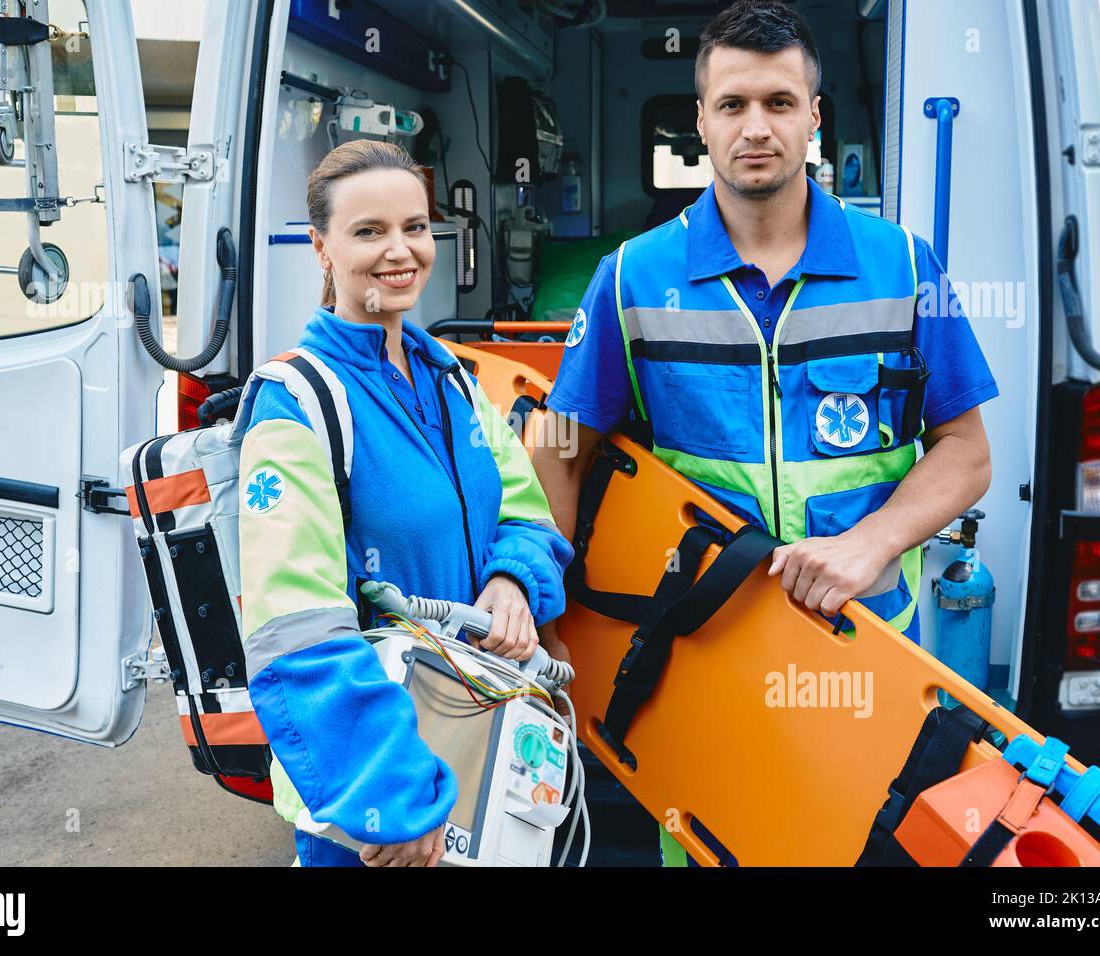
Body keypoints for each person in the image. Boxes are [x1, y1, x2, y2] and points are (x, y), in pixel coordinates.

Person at [530, 0, 997, 864]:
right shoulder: (631, 278)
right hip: (696, 648)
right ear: (700, 121)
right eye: (734, 105)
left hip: (865, 640)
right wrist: (547, 607)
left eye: (780, 103)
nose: (757, 127)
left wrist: (872, 542)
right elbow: (563, 448)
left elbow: (967, 453)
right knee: (707, 841)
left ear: (815, 117)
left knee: (859, 838)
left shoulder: (905, 264)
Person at [238, 139, 573, 867]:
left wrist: (512, 579)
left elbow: (526, 510)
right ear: (321, 249)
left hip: (470, 736)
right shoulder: (298, 403)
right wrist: (389, 799)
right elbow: (295, 631)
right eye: (369, 232)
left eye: (415, 227)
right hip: (374, 788)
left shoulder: (448, 376)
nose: (401, 251)